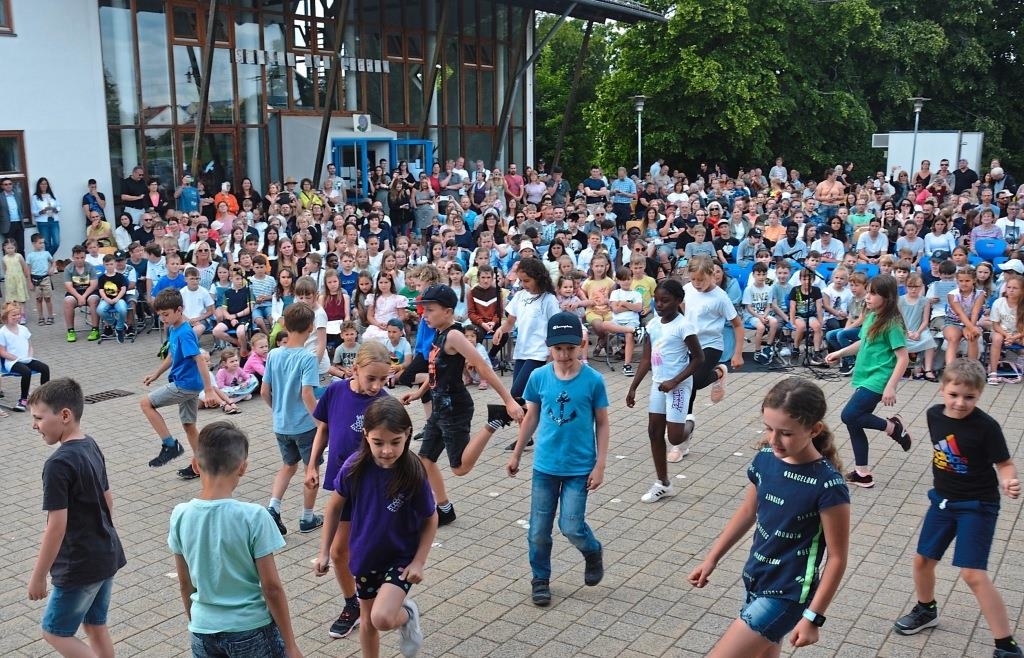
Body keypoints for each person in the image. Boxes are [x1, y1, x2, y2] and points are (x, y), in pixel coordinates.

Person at [688, 378, 850, 658]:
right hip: (755, 580)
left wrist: (814, 617)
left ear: (814, 430)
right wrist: (711, 558)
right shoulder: (764, 459)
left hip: (787, 594)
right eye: (768, 428)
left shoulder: (829, 485)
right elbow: (748, 512)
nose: (774, 440)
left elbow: (837, 557)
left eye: (786, 433)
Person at [891, 359, 1023, 658]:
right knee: (922, 561)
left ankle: (1006, 645)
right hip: (942, 501)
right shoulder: (933, 415)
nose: (960, 403)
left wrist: (1009, 481)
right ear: (942, 390)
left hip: (977, 506)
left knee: (972, 573)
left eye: (969, 397)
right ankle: (926, 610)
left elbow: (1004, 464)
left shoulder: (987, 427)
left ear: (979, 395)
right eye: (954, 395)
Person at [314, 397, 437, 658]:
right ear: (366, 435)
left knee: (382, 618)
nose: (387, 451)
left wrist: (419, 562)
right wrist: (324, 551)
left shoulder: (413, 471)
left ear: (407, 435)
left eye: (396, 442)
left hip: (400, 557)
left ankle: (406, 615)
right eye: (378, 443)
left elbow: (430, 517)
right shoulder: (354, 467)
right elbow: (334, 507)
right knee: (368, 622)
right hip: (365, 556)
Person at [168, 421, 303, 658]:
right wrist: (291, 645)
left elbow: (184, 582)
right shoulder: (254, 516)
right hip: (250, 628)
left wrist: (199, 621)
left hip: (202, 630)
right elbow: (271, 588)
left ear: (195, 465)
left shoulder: (180, 514)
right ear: (243, 467)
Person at [506, 311, 609, 607]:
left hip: (579, 467)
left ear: (581, 345)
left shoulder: (593, 380)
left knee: (572, 525)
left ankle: (592, 551)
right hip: (545, 467)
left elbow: (602, 423)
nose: (564, 354)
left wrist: (600, 464)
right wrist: (517, 453)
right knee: (539, 530)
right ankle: (540, 578)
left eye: (570, 348)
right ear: (549, 347)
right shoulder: (539, 377)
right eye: (558, 348)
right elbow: (531, 416)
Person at [400, 284, 523, 525]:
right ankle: (444, 509)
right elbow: (435, 370)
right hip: (439, 405)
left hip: (455, 407)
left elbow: (481, 365)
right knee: (425, 460)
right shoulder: (439, 332)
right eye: (423, 309)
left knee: (460, 468)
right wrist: (420, 392)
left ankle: (494, 421)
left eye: (430, 309)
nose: (424, 314)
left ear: (448, 311)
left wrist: (508, 400)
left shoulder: (455, 335)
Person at [27, 378, 127, 658]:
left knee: (54, 631)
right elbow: (108, 499)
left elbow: (56, 527)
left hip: (79, 565)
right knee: (95, 625)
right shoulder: (90, 444)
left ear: (65, 415)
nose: (34, 425)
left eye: (38, 417)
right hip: (105, 553)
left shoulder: (57, 464)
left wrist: (38, 577)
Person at [306, 342, 391, 640]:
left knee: (368, 552)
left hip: (373, 490)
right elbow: (324, 429)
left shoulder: (383, 403)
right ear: (354, 369)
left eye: (383, 380)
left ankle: (386, 600)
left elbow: (394, 447)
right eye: (372, 378)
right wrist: (313, 464)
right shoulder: (335, 391)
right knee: (338, 552)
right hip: (342, 486)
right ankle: (351, 604)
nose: (377, 386)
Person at [825, 275, 911, 488]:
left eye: (873, 293)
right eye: (868, 292)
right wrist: (841, 353)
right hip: (865, 376)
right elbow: (864, 342)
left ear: (887, 297)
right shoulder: (872, 316)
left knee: (849, 415)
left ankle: (892, 427)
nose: (867, 297)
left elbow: (903, 358)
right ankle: (862, 473)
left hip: (880, 378)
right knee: (855, 421)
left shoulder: (892, 324)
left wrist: (890, 386)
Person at [626, 279, 703, 500]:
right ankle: (663, 482)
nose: (659, 305)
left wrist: (675, 381)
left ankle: (689, 424)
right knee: (654, 432)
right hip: (658, 384)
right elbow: (646, 359)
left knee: (676, 438)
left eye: (665, 301)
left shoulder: (683, 326)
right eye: (656, 300)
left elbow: (699, 358)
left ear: (678, 301)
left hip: (678, 385)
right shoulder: (653, 324)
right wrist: (633, 388)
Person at [261, 302, 324, 536]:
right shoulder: (307, 358)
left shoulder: (274, 354)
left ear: (285, 325)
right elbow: (307, 393)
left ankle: (273, 507)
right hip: (304, 426)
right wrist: (320, 422)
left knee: (288, 465)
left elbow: (264, 391)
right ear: (311, 326)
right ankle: (307, 517)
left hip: (281, 424)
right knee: (311, 469)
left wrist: (277, 409)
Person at [141, 288, 217, 479]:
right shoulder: (175, 328)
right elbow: (173, 354)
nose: (163, 319)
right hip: (190, 384)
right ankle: (203, 465)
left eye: (166, 314)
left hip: (185, 385)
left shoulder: (184, 332)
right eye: (160, 315)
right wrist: (156, 373)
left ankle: (170, 445)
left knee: (146, 403)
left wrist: (209, 391)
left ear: (179, 309)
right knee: (189, 425)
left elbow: (199, 360)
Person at [681, 256, 744, 446]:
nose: (697, 284)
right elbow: (683, 308)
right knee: (686, 387)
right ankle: (683, 440)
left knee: (695, 381)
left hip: (711, 345)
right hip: (690, 343)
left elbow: (738, 325)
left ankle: (718, 372)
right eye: (693, 279)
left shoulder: (720, 297)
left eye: (701, 280)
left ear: (713, 276)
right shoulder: (686, 290)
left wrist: (738, 353)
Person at [0, 301, 50, 412]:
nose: (17, 317)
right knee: (26, 372)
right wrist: (15, 358)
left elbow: (30, 346)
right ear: (5, 316)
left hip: (26, 359)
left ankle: (45, 397)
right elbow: (2, 352)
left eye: (18, 314)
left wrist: (29, 356)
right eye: (13, 315)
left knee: (45, 368)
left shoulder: (23, 329)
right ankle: (23, 400)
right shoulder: (2, 332)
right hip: (12, 362)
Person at [62, 245, 100, 343]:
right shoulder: (68, 269)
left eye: (82, 257)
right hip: (75, 292)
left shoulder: (90, 267)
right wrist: (79, 297)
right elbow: (68, 286)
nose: (79, 260)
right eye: (77, 258)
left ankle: (95, 329)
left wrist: (84, 296)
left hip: (89, 291)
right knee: (68, 301)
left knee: (94, 300)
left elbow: (94, 284)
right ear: (73, 257)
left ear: (85, 256)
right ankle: (70, 331)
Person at [26, 233, 55, 325]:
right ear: (34, 244)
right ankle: (41, 317)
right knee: (38, 299)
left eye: (43, 243)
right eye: (40, 243)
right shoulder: (30, 256)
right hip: (35, 280)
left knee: (48, 298)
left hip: (45, 279)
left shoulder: (46, 253)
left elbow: (53, 262)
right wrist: (29, 282)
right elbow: (28, 270)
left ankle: (50, 316)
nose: (42, 245)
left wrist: (52, 268)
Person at [31, 177, 62, 256]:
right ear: (39, 185)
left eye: (45, 184)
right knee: (47, 244)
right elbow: (34, 212)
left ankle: (47, 258)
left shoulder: (52, 195)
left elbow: (59, 206)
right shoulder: (35, 197)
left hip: (54, 220)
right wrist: (41, 212)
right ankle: (50, 262)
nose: (44, 185)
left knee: (56, 242)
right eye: (42, 184)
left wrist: (56, 209)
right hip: (42, 222)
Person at [0, 176, 28, 254]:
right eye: (6, 184)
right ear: (2, 186)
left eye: (10, 184)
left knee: (21, 247)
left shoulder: (17, 195)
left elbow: (21, 209)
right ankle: (9, 266)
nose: (8, 186)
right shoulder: (0, 197)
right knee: (9, 248)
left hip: (19, 223)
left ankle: (22, 265)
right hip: (7, 226)